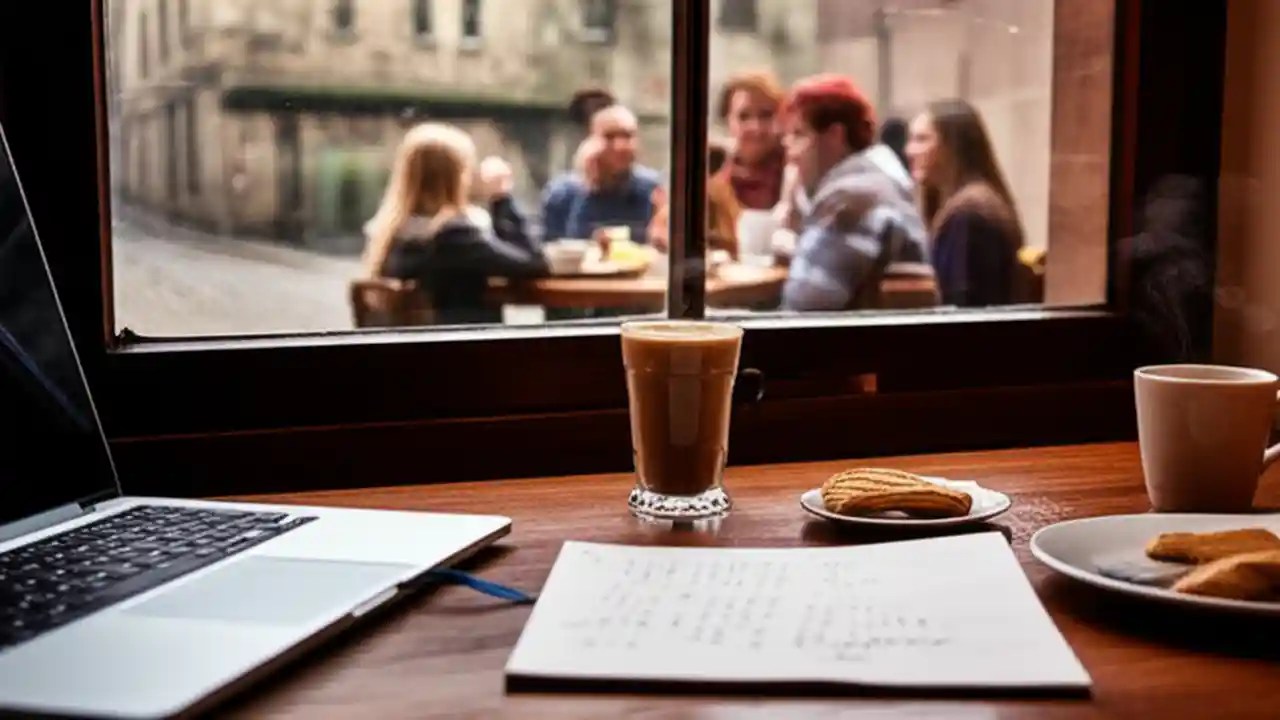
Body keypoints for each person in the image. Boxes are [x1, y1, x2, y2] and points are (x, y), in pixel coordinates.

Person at [362, 123, 547, 325]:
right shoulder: (456, 241)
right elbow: (534, 264)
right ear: (457, 178)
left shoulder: (390, 236)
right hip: (465, 352)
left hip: (406, 354)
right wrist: (501, 198)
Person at [777, 74, 927, 311]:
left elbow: (801, 311)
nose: (790, 152)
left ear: (835, 135)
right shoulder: (872, 183)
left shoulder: (851, 199)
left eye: (799, 134)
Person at [905, 99, 1024, 308]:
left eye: (922, 139)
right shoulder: (972, 205)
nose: (909, 151)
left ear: (952, 145)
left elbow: (965, 306)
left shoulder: (968, 214)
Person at [541, 103, 661, 244]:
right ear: (591, 142)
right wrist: (589, 186)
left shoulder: (653, 189)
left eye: (627, 136)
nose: (620, 146)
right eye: (609, 137)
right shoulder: (561, 194)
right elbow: (550, 250)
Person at [717, 71, 787, 211]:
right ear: (727, 122)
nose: (756, 127)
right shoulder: (712, 173)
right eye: (744, 117)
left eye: (766, 115)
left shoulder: (795, 173)